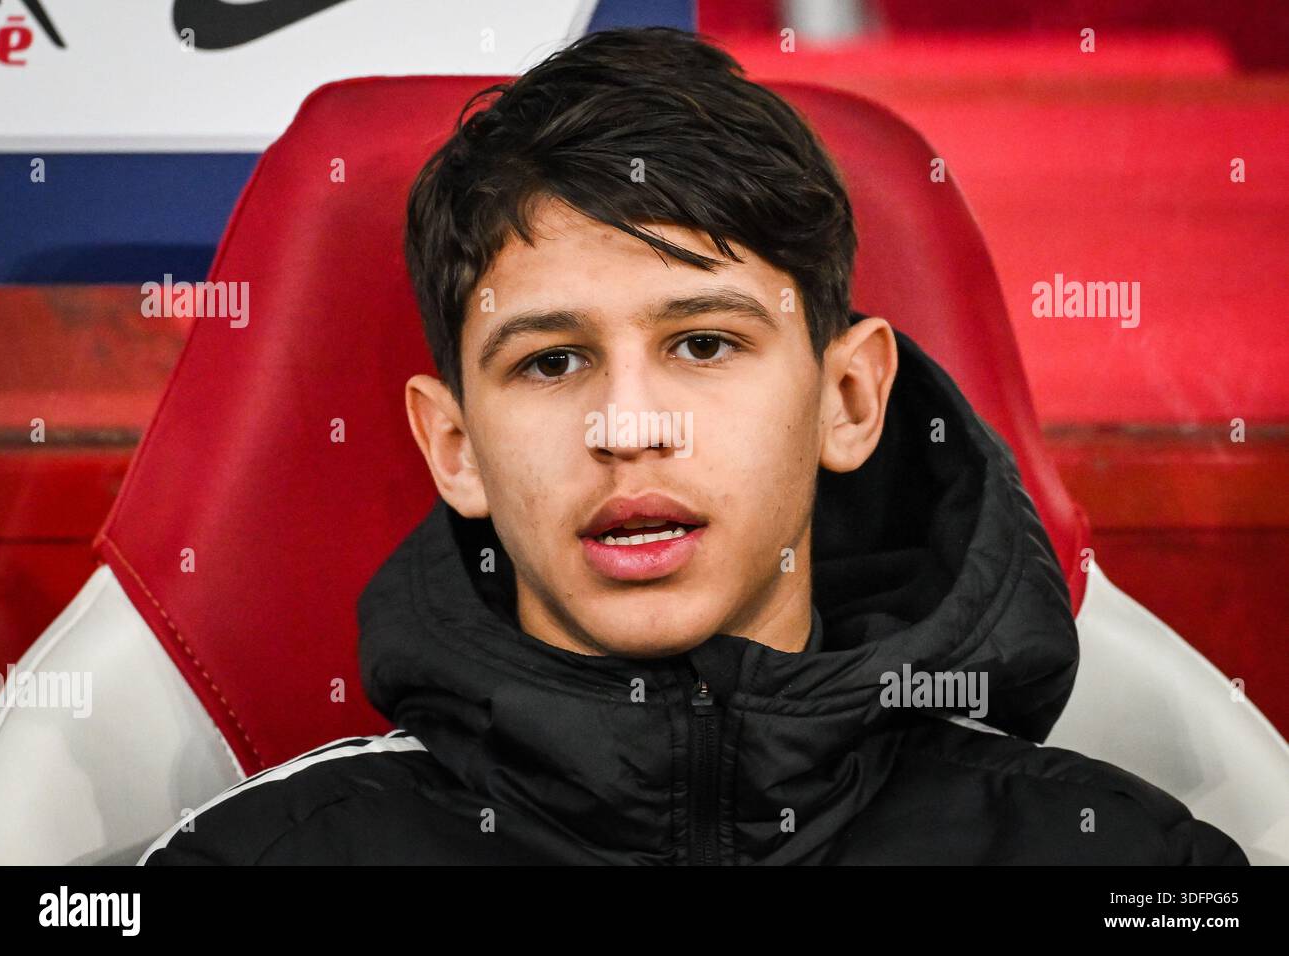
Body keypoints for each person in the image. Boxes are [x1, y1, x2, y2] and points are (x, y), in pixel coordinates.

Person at [139, 27, 1246, 865]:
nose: (629, 428)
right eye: (551, 362)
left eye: (704, 343)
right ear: (455, 447)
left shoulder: (1123, 860)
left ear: (849, 399)